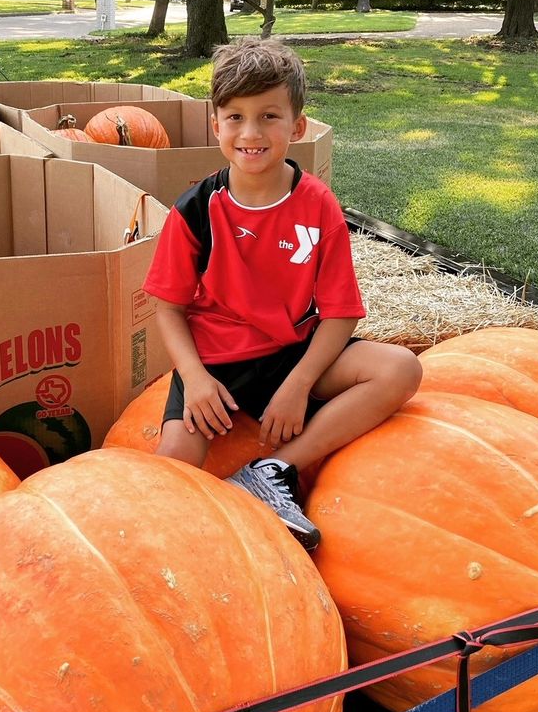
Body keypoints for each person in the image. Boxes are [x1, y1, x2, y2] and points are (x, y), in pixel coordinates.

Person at [141, 39, 421, 549]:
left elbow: (339, 314)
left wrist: (298, 385)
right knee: (170, 480)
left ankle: (272, 470)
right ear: (216, 124)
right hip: (215, 363)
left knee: (401, 369)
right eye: (235, 117)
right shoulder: (196, 209)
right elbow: (169, 308)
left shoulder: (317, 204)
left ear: (297, 127)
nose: (250, 133)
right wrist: (195, 379)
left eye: (269, 116)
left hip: (290, 354)